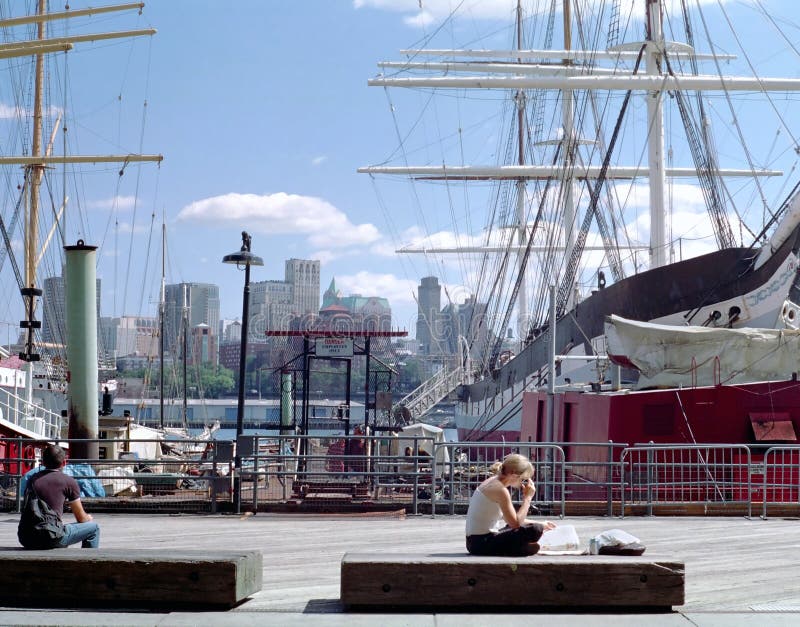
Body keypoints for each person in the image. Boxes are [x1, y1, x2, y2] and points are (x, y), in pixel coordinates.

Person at [465, 453, 556, 556]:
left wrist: (542, 524)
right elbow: (516, 524)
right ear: (514, 475)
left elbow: (510, 519)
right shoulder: (500, 490)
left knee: (535, 527)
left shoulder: (492, 481)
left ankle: (520, 547)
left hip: (475, 542)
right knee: (535, 529)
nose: (523, 483)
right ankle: (519, 547)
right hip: (481, 543)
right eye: (523, 479)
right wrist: (528, 498)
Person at [19, 444, 100, 549]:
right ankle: (89, 559)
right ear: (64, 462)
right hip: (50, 536)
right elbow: (81, 518)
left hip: (26, 537)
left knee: (58, 530)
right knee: (94, 528)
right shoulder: (69, 482)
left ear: (43, 462)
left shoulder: (32, 480)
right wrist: (88, 518)